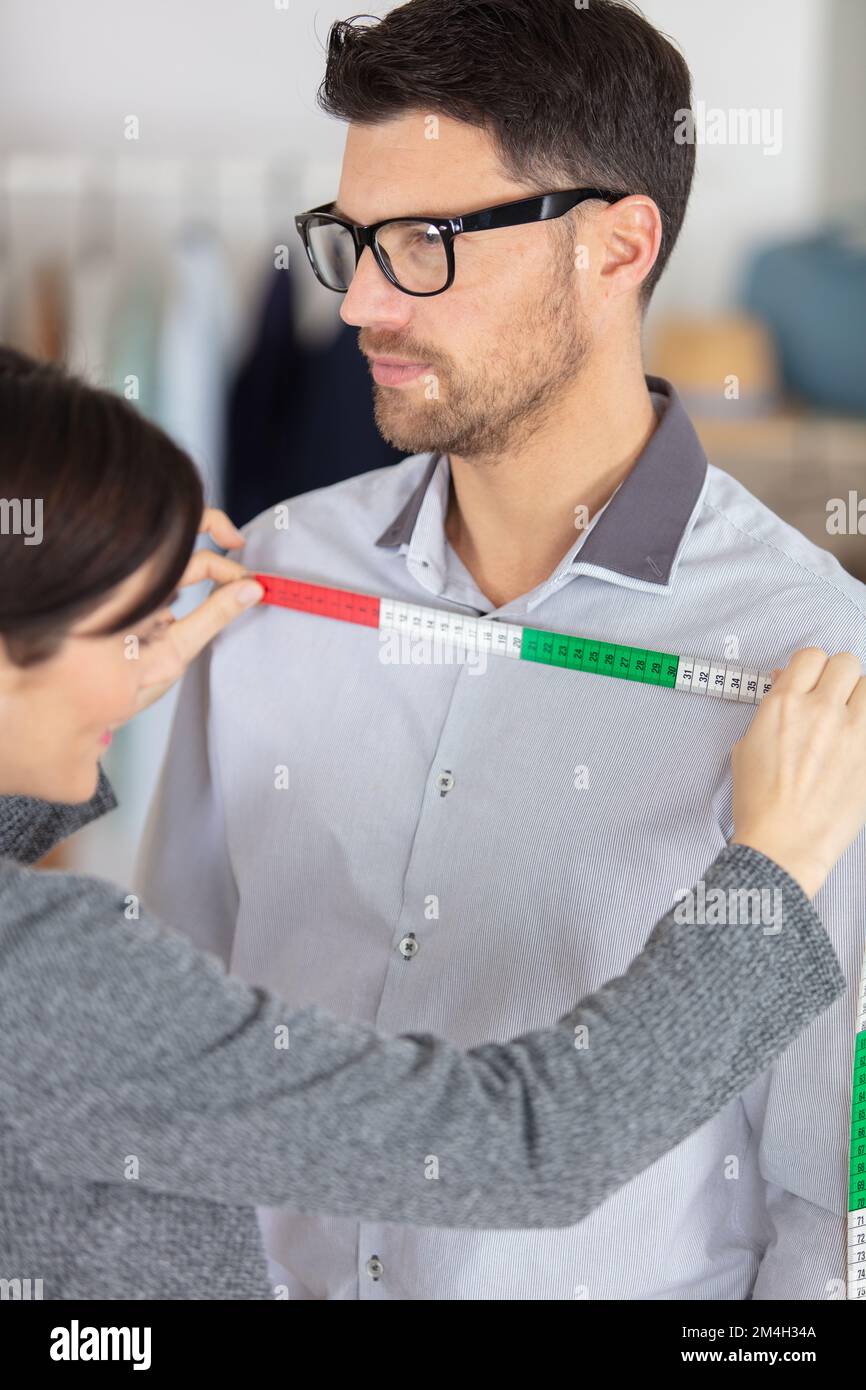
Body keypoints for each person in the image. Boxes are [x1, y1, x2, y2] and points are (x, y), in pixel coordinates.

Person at [139, 0, 866, 1300]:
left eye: (424, 243)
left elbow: (830, 1204)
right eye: (351, 240)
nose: (360, 299)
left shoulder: (812, 659)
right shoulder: (274, 580)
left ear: (617, 245)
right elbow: (168, 1046)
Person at [0, 348, 863, 1301]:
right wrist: (772, 869)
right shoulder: (45, 973)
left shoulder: (811, 624)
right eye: (117, 622)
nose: (362, 304)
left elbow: (824, 1202)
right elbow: (527, 1146)